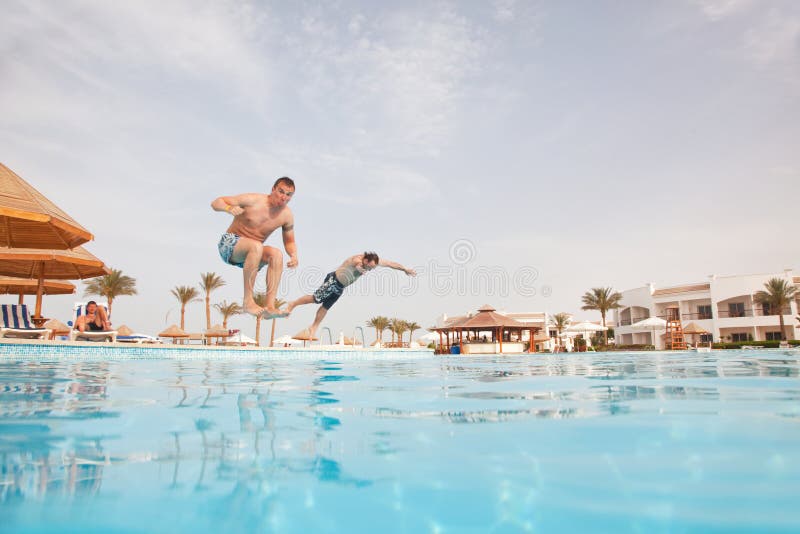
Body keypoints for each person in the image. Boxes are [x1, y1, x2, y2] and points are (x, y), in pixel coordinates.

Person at [211, 177, 298, 318]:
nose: (284, 197)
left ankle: (270, 306)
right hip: (230, 244)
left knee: (276, 254)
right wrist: (228, 208)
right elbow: (216, 203)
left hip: (252, 256)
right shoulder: (253, 200)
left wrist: (293, 255)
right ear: (273, 189)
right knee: (256, 246)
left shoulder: (286, 215)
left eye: (288, 195)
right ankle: (248, 302)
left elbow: (289, 241)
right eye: (281, 192)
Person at [287, 252, 416, 339]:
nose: (370, 269)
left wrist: (405, 269)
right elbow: (356, 262)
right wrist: (359, 268)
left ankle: (313, 327)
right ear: (366, 260)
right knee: (315, 299)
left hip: (340, 287)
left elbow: (391, 264)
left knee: (326, 307)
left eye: (372, 268)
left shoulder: (374, 262)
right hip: (333, 280)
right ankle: (292, 304)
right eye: (369, 267)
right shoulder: (358, 259)